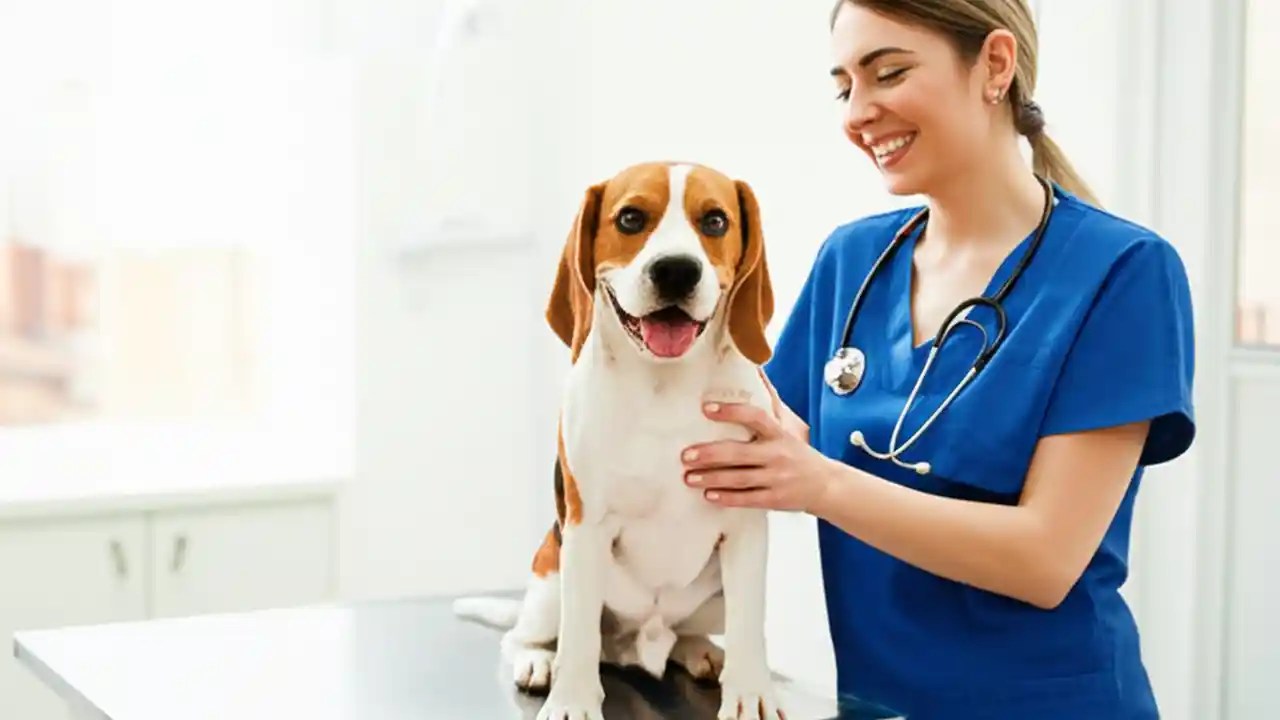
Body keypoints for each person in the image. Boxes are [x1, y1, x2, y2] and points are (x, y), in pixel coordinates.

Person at [679, 1, 1196, 718]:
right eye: (844, 86)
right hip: (874, 705)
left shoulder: (1124, 273)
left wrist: (821, 485)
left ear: (995, 65)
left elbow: (1045, 560)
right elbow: (759, 442)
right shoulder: (851, 261)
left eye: (887, 72)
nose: (858, 113)